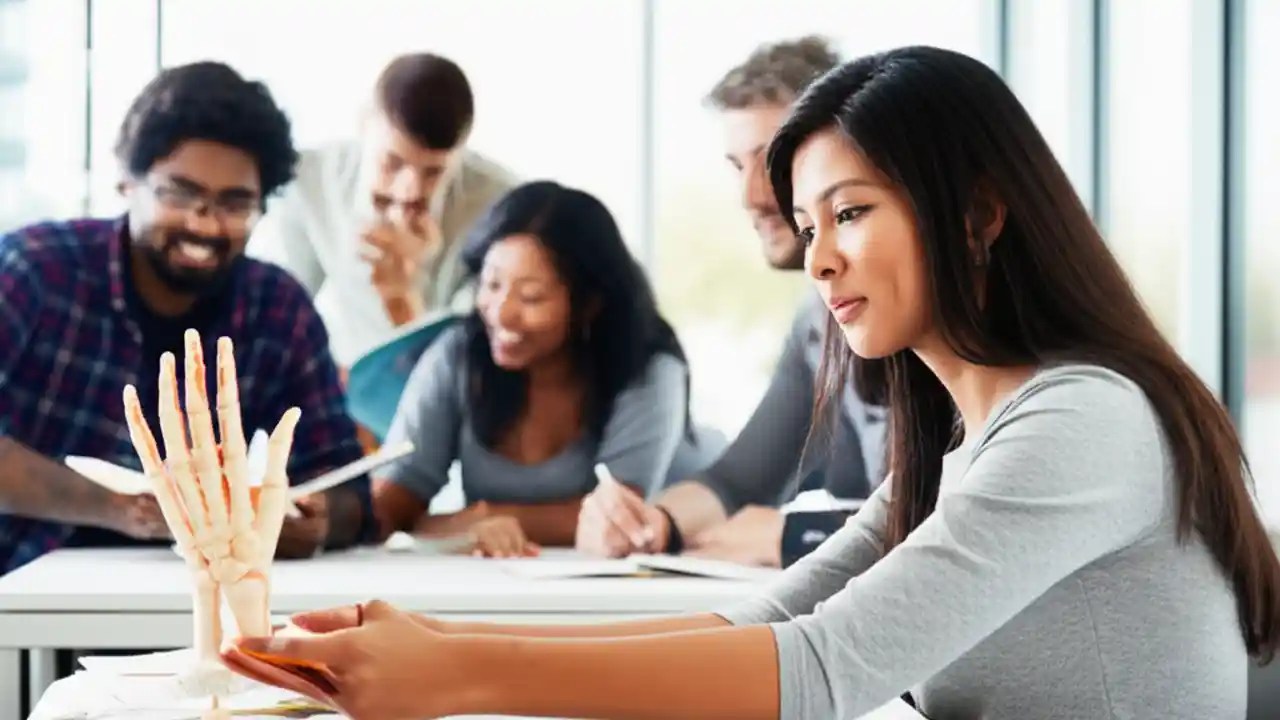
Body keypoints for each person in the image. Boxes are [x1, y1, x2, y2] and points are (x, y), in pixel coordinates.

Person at [224, 46, 1280, 719]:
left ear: (980, 213)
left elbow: (818, 674)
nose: (816, 260)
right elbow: (758, 625)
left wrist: (458, 679)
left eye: (850, 213)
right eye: (808, 224)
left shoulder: (1082, 421)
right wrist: (438, 642)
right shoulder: (963, 447)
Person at [0, 62, 374, 576]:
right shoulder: (35, 270)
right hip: (22, 603)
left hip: (194, 610)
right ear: (128, 183)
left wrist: (320, 522)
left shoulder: (279, 310)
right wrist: (121, 508)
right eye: (179, 193)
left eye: (234, 203)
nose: (203, 223)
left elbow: (348, 486)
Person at [576, 36, 886, 569]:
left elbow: (966, 514)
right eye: (735, 167)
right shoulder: (818, 320)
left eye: (771, 160)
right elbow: (739, 479)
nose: (749, 196)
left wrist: (803, 535)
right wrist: (652, 523)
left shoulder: (920, 316)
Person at [370, 181, 691, 557]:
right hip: (515, 580)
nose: (501, 313)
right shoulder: (458, 354)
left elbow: (618, 520)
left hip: (667, 572)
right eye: (491, 284)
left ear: (590, 303)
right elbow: (393, 503)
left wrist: (475, 518)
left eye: (531, 296)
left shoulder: (648, 369)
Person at [248, 52, 518, 370]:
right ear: (364, 125)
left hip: (442, 388)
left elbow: (473, 362)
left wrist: (406, 292)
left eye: (433, 172)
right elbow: (280, 315)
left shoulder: (500, 205)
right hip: (338, 378)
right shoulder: (310, 181)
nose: (410, 190)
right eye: (393, 163)